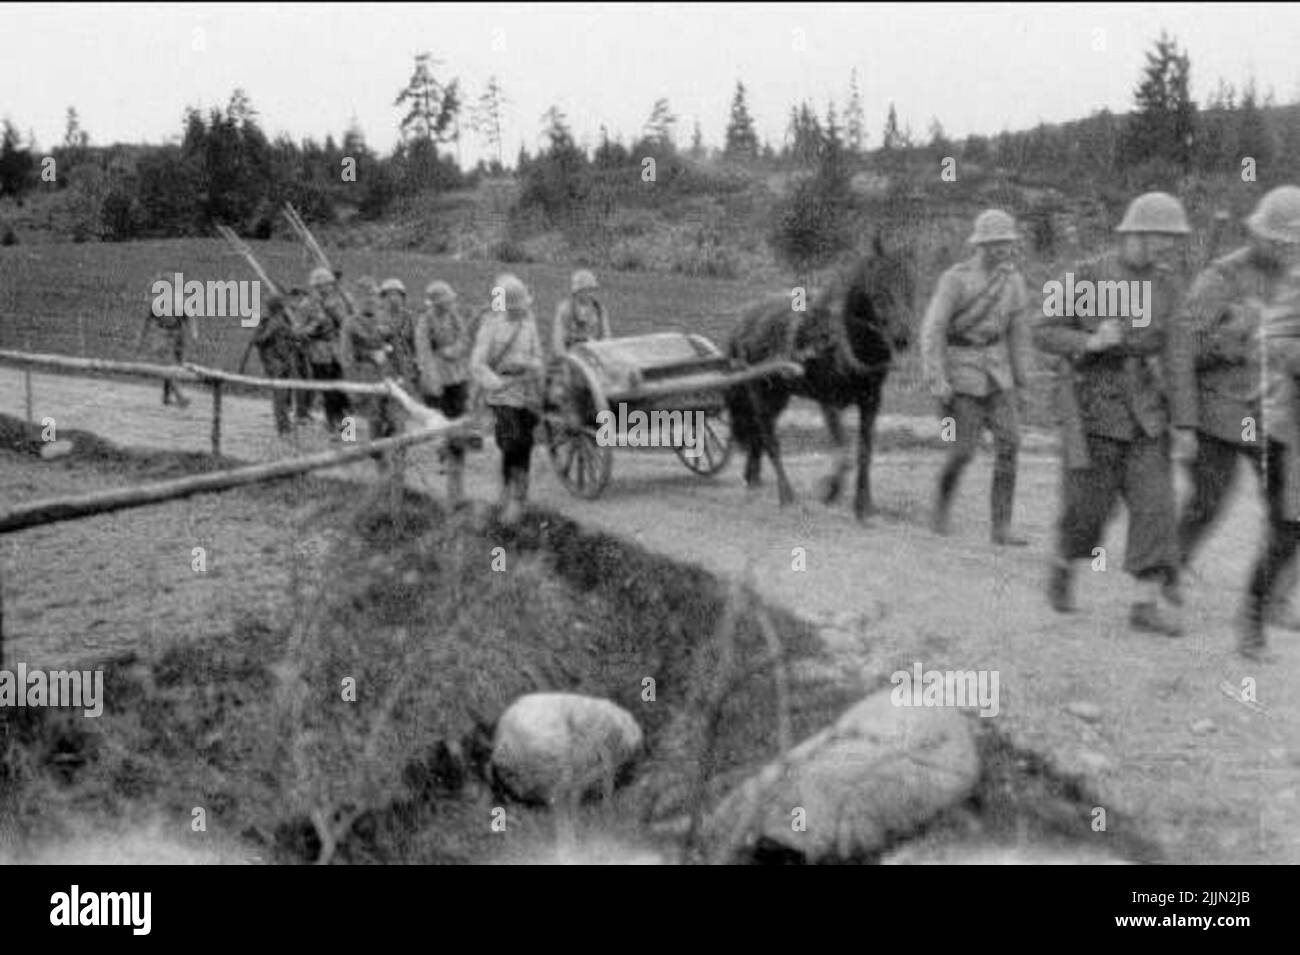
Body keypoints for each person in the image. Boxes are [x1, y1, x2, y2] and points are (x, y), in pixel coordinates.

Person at [1032, 191, 1198, 637]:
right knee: (1088, 511)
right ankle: (1064, 563)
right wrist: (1089, 342)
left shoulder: (1168, 285)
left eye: (1173, 239)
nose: (1167, 247)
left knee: (1156, 506)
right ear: (1135, 231)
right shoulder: (1087, 275)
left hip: (1146, 412)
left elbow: (1179, 357)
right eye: (1161, 237)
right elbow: (1042, 330)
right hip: (1092, 412)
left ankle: (1144, 605)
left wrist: (1185, 423)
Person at [1179, 186, 1300, 630]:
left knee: (1290, 513)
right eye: (1282, 242)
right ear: (1259, 236)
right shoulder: (1221, 278)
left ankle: (1275, 600)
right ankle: (1170, 571)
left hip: (1275, 412)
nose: (1289, 251)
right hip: (1222, 411)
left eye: (1295, 244)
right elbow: (1184, 348)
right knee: (1208, 502)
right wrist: (1234, 338)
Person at [921, 209, 1032, 545]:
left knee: (1011, 442)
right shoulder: (955, 279)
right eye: (996, 244)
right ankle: (940, 509)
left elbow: (1017, 332)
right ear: (980, 245)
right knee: (963, 450)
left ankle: (1001, 527)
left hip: (998, 374)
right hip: (961, 373)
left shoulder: (1013, 282)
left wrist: (1023, 382)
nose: (1003, 250)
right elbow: (934, 329)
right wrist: (936, 377)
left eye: (1007, 244)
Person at [471, 274, 545, 526]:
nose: (521, 312)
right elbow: (477, 365)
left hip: (526, 392)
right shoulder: (491, 326)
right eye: (516, 308)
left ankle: (519, 497)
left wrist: (528, 364)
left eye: (523, 307)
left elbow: (538, 357)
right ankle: (507, 494)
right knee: (511, 441)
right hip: (501, 393)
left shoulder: (529, 324)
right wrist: (496, 382)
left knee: (525, 443)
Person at [413, 280, 476, 506]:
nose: (450, 303)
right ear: (437, 303)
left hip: (456, 373)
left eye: (450, 300)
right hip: (436, 375)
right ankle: (444, 456)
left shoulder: (454, 316)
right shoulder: (425, 321)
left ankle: (455, 456)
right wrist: (431, 376)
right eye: (446, 300)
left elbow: (464, 338)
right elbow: (422, 350)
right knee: (438, 420)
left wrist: (454, 351)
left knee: (456, 416)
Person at [338, 277, 401, 468]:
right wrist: (353, 377)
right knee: (349, 410)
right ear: (358, 299)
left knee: (392, 414)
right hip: (362, 373)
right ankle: (350, 446)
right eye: (366, 296)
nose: (370, 300)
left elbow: (394, 343)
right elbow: (346, 354)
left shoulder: (384, 319)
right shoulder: (350, 323)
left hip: (385, 374)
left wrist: (390, 353)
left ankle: (381, 447)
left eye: (373, 295)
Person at [294, 265, 352, 437]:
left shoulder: (341, 301)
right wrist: (313, 327)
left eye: (329, 284)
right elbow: (297, 330)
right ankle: (334, 428)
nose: (327, 288)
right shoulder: (307, 305)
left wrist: (339, 315)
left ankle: (348, 432)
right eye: (322, 285)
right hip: (319, 354)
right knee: (329, 393)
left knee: (344, 392)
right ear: (315, 287)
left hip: (340, 352)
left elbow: (350, 323)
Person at [250, 288, 311, 436]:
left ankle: (286, 425)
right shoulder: (276, 322)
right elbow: (262, 339)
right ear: (279, 307)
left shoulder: (275, 321)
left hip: (281, 362)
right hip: (277, 363)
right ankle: (283, 427)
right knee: (280, 397)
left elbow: (290, 337)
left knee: (282, 396)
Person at [138, 271, 198, 408]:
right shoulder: (156, 303)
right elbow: (146, 321)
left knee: (175, 367)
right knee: (167, 365)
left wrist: (193, 333)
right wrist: (141, 338)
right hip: (161, 335)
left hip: (178, 335)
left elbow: (190, 318)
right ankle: (180, 397)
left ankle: (166, 397)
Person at [552, 269, 611, 355]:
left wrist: (604, 350)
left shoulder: (599, 309)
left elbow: (606, 335)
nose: (590, 294)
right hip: (573, 352)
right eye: (586, 290)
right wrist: (563, 356)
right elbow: (558, 339)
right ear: (577, 291)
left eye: (592, 290)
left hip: (594, 351)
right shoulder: (565, 309)